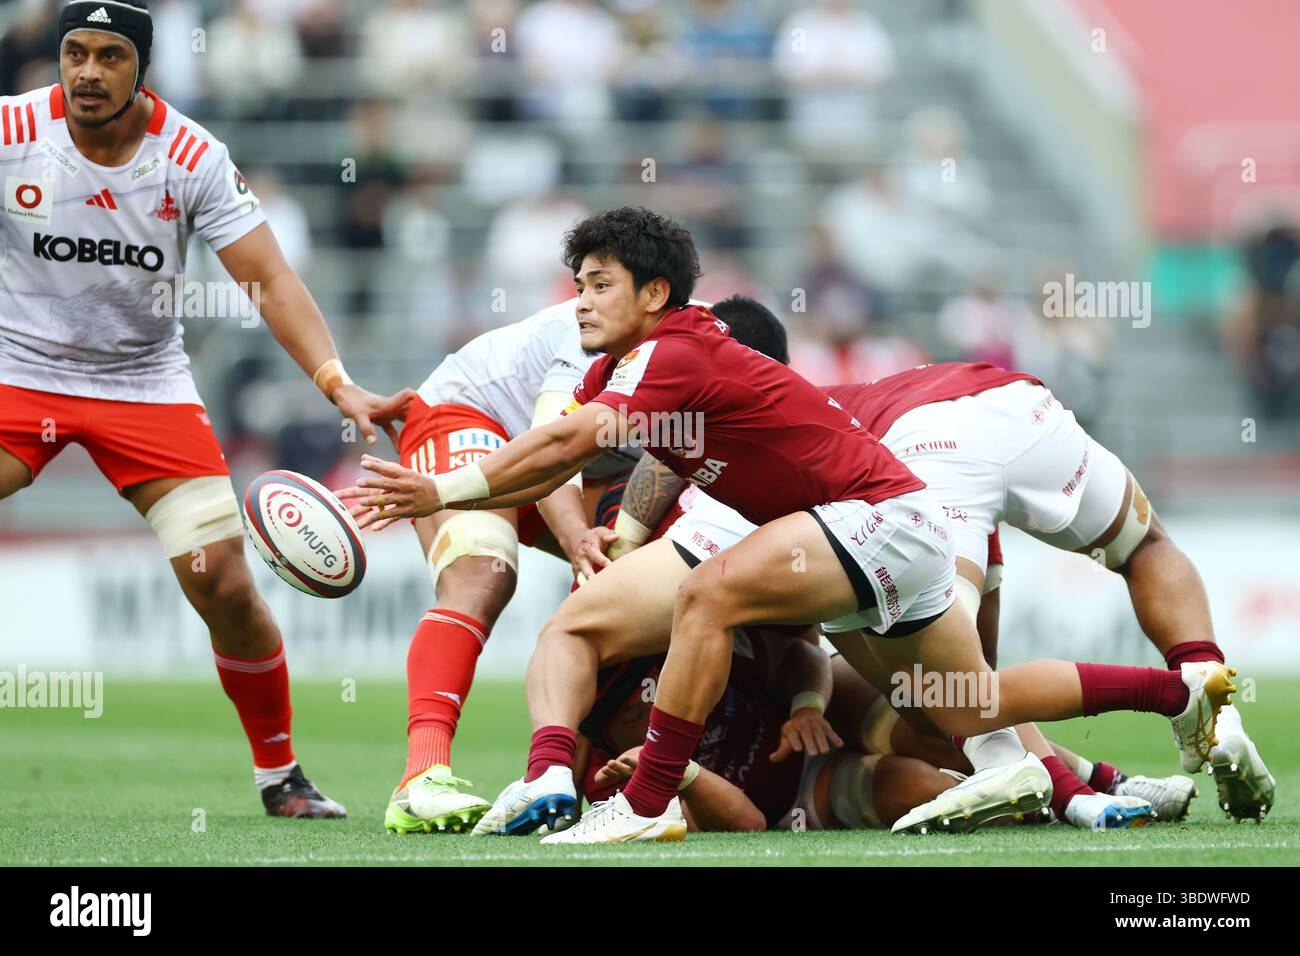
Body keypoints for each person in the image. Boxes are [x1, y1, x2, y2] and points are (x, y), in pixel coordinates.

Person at [339, 208, 1233, 845]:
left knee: (709, 594)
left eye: (599, 284)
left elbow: (570, 441)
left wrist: (446, 493)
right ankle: (1180, 692)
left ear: (655, 292)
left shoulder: (675, 349)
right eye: (576, 283)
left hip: (874, 516)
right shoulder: (626, 364)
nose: (578, 301)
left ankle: (645, 805)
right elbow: (565, 445)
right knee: (963, 705)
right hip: (887, 530)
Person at [0, 0, 412, 817]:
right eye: (74, 53)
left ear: (142, 68)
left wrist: (336, 382)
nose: (87, 71)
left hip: (142, 382)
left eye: (109, 56)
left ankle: (280, 775)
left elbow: (271, 280)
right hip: (20, 371)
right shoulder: (12, 131)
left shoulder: (190, 155)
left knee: (222, 579)